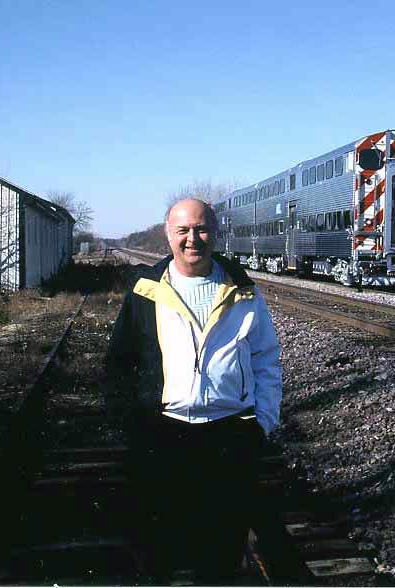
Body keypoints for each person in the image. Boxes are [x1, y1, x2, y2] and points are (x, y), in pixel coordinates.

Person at [103, 198, 282, 583]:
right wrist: (129, 425)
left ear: (214, 234)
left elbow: (267, 358)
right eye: (182, 230)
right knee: (156, 549)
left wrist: (262, 421)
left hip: (228, 436)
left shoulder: (244, 291)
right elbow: (118, 363)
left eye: (201, 229)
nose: (192, 239)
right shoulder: (145, 291)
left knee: (219, 551)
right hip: (162, 433)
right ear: (168, 234)